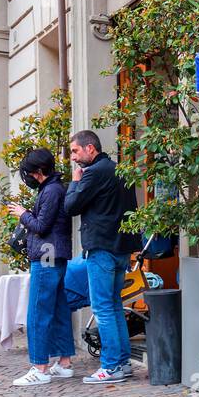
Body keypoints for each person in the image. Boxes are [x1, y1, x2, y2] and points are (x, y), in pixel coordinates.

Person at [64, 130, 139, 383]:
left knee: (103, 308)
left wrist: (75, 181)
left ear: (90, 149)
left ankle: (110, 366)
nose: (73, 157)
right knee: (114, 305)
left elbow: (70, 207)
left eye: (75, 151)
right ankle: (123, 362)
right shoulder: (117, 170)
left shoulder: (94, 173)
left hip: (102, 249)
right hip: (121, 249)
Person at [6, 148, 75, 386]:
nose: (27, 176)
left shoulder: (51, 191)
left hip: (46, 257)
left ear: (38, 171)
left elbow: (42, 225)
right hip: (55, 256)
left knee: (37, 312)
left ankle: (40, 367)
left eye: (29, 171)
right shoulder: (55, 188)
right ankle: (64, 364)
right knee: (58, 310)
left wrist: (22, 213)